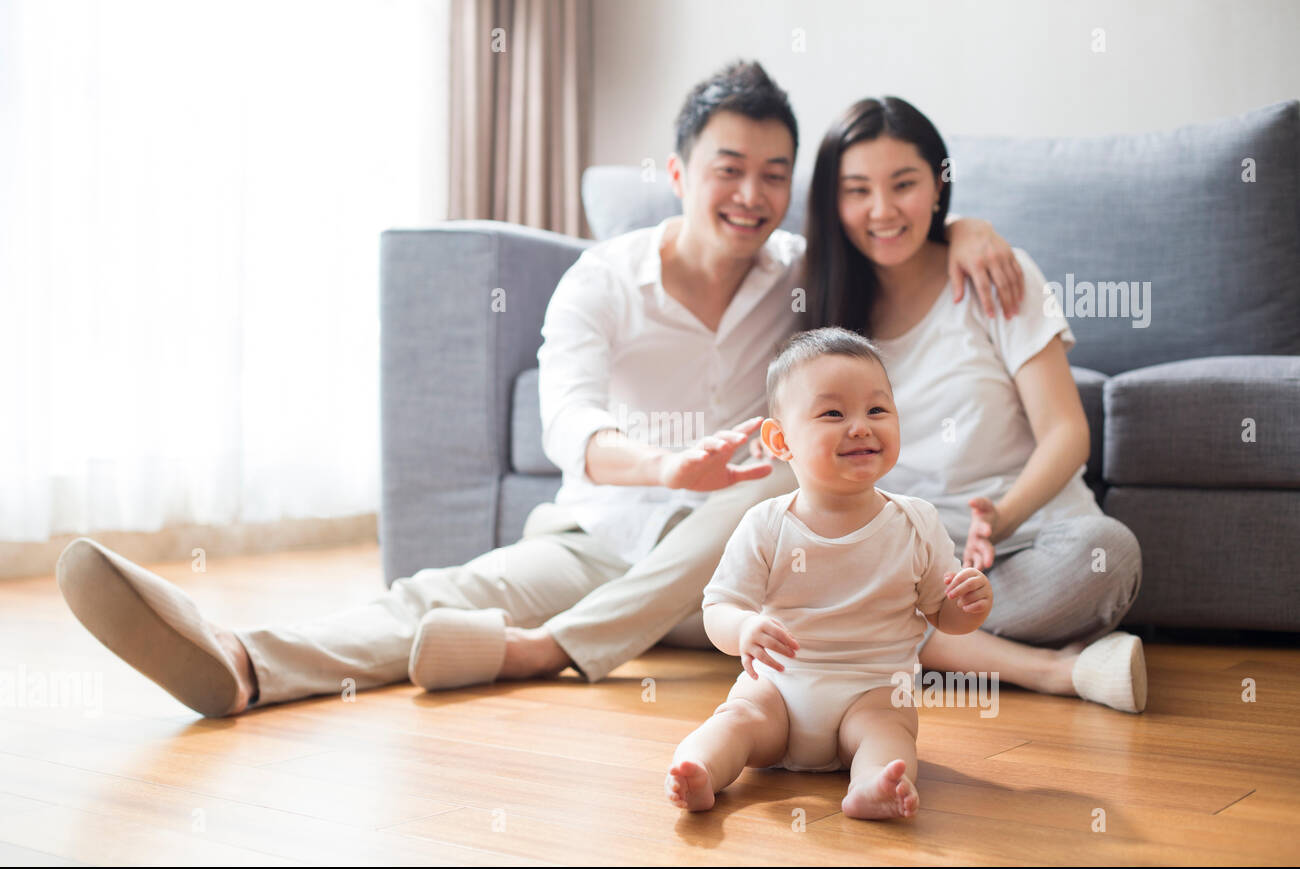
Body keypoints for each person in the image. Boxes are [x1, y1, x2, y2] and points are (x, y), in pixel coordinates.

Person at [54, 63, 1025, 718]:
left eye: (775, 175)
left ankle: (546, 650)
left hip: (738, 576)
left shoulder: (801, 274)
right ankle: (245, 660)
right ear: (679, 171)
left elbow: (890, 233)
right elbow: (570, 425)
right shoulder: (600, 280)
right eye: (729, 169)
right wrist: (663, 464)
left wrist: (967, 227)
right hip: (600, 540)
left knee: (772, 487)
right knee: (440, 596)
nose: (752, 194)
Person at [799, 96, 1146, 713]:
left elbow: (1067, 431)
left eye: (903, 184)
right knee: (820, 579)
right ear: (832, 201)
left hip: (1028, 543)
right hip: (911, 562)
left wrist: (1004, 517)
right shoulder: (821, 310)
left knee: (1108, 555)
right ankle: (1048, 669)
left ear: (938, 185)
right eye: (857, 190)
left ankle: (892, 642)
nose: (882, 211)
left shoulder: (994, 274)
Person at [666, 328, 992, 818]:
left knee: (890, 731)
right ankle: (699, 769)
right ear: (780, 440)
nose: (860, 426)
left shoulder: (916, 521)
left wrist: (968, 607)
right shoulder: (766, 523)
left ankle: (873, 787)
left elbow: (942, 616)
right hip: (777, 688)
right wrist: (744, 628)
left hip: (873, 691)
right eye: (834, 413)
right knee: (737, 718)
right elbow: (719, 607)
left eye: (877, 410)